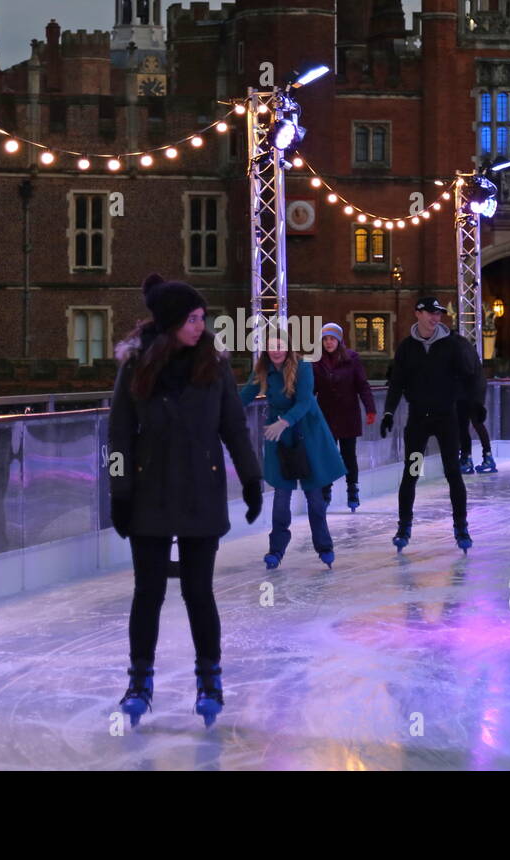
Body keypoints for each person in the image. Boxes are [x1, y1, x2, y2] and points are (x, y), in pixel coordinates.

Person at [108, 273, 262, 728]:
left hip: (200, 491)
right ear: (172, 322)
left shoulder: (213, 364)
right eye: (193, 318)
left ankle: (209, 680)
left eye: (202, 318)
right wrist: (119, 492)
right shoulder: (137, 367)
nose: (201, 325)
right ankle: (139, 680)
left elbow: (234, 426)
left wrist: (251, 479)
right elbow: (118, 436)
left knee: (199, 592)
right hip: (148, 494)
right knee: (148, 593)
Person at [240, 334, 347, 568]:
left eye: (280, 346)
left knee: (315, 498)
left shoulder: (303, 367)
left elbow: (305, 401)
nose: (276, 351)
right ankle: (276, 550)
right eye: (271, 347)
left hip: (306, 432)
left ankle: (324, 546)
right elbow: (244, 398)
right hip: (278, 437)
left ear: (288, 347)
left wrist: (285, 421)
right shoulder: (262, 371)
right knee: (281, 498)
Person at [379, 297, 476, 552]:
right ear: (418, 314)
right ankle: (404, 526)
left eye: (439, 314)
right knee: (411, 473)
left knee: (453, 473)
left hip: (447, 419)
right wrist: (389, 412)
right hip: (418, 419)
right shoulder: (407, 348)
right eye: (431, 313)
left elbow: (470, 376)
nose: (436, 318)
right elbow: (397, 382)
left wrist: (473, 406)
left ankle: (461, 526)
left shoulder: (452, 345)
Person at [312, 323, 376, 511]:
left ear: (339, 340)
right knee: (327, 454)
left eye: (332, 338)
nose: (328, 342)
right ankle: (326, 489)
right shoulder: (316, 361)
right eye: (325, 339)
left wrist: (370, 409)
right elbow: (310, 389)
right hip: (326, 416)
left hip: (348, 414)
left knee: (348, 455)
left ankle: (352, 489)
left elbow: (362, 385)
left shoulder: (352, 359)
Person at [450, 326, 497, 475]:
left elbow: (466, 370)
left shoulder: (458, 347)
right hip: (472, 390)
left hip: (469, 391)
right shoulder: (463, 345)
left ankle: (469, 458)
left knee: (465, 425)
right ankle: (478, 457)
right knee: (471, 424)